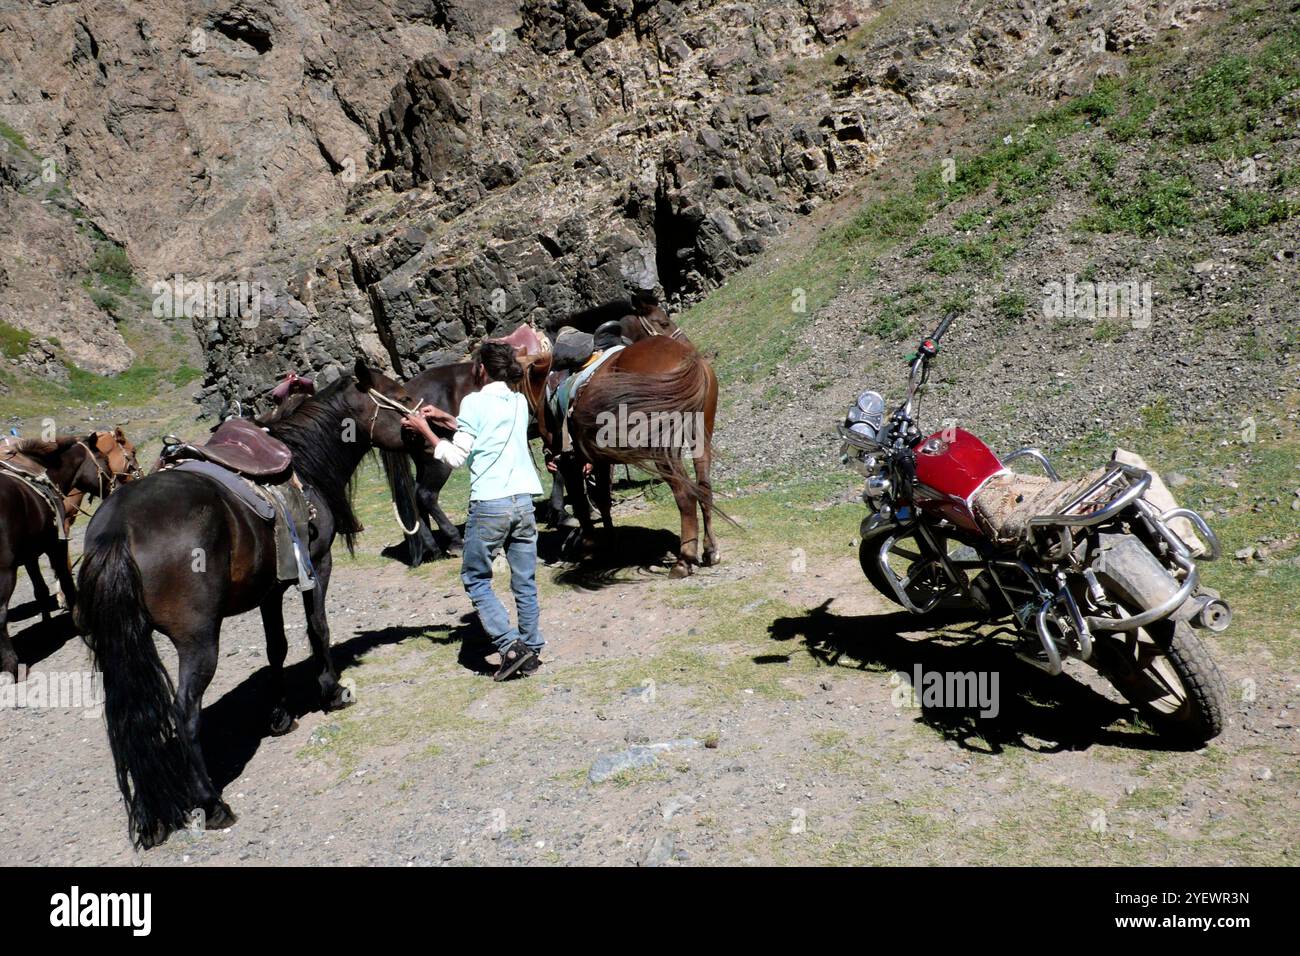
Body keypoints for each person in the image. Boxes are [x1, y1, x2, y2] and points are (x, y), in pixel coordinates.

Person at [402, 341, 545, 681]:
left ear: (480, 368)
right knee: (524, 580)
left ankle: (510, 647)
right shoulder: (519, 401)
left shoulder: (474, 401)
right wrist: (446, 419)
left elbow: (456, 457)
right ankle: (532, 645)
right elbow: (488, 434)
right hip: (523, 502)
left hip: (490, 504)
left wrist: (425, 430)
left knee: (476, 579)